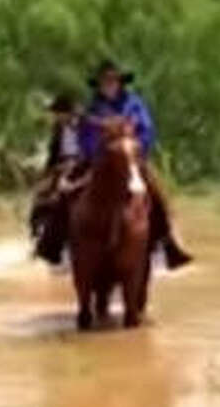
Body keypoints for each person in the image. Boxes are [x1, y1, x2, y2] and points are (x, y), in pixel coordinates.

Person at [77, 61, 192, 270]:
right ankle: (54, 241)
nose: (109, 85)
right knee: (67, 193)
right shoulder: (92, 108)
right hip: (100, 161)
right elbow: (84, 136)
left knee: (156, 190)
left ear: (120, 83)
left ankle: (169, 242)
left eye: (113, 80)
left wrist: (136, 150)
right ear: (99, 85)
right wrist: (97, 153)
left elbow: (147, 130)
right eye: (105, 81)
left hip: (132, 158)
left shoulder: (134, 104)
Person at [31, 94, 86, 264]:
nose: (55, 117)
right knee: (41, 194)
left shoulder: (85, 125)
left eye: (57, 113)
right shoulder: (58, 128)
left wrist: (76, 162)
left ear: (67, 113)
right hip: (61, 166)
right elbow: (53, 153)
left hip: (85, 165)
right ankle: (40, 235)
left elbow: (92, 149)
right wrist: (46, 173)